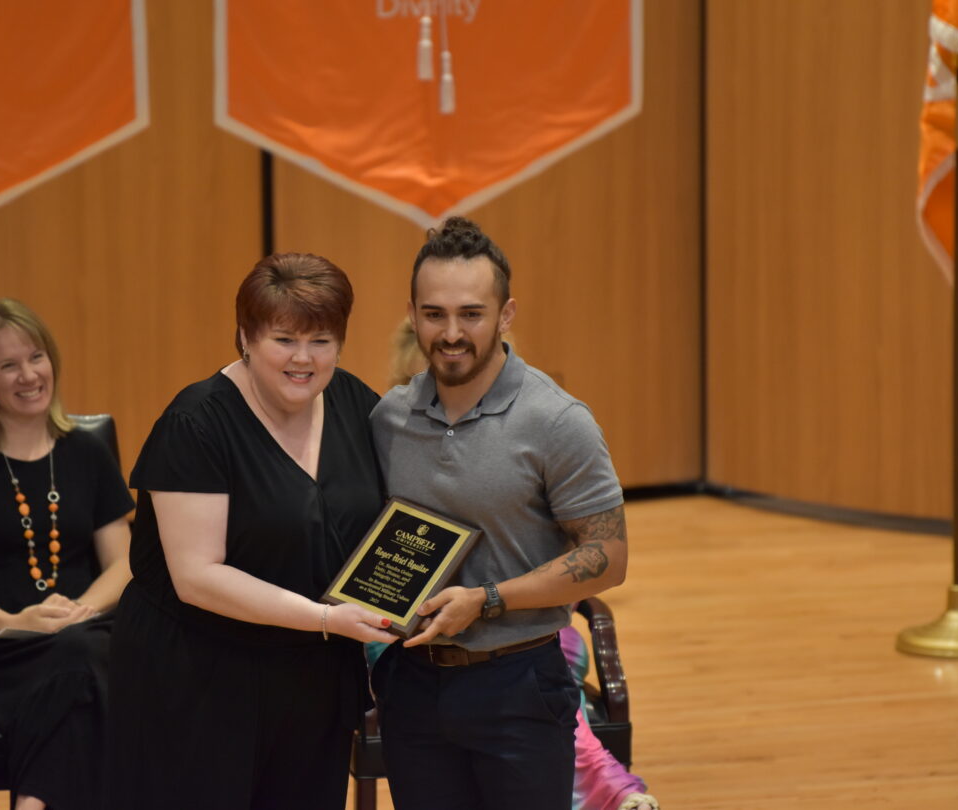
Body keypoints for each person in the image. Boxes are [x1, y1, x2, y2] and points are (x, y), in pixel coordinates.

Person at [104, 253, 397, 810]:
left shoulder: (357, 403)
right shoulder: (196, 423)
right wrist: (328, 618)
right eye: (283, 339)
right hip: (199, 680)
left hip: (313, 676)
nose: (304, 359)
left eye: (322, 340)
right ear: (244, 336)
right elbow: (197, 578)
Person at [370, 217, 637, 810]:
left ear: (506, 314)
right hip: (412, 682)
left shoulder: (557, 421)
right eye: (434, 313)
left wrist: (487, 600)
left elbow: (608, 559)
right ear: (412, 314)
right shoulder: (389, 418)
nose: (451, 332)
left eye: (472, 313)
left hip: (517, 683)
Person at [0, 298, 134, 810]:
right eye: (7, 365)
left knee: (85, 658)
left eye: (36, 357)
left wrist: (81, 612)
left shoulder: (87, 451)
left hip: (80, 633)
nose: (28, 375)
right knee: (87, 670)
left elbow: (123, 563)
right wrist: (17, 620)